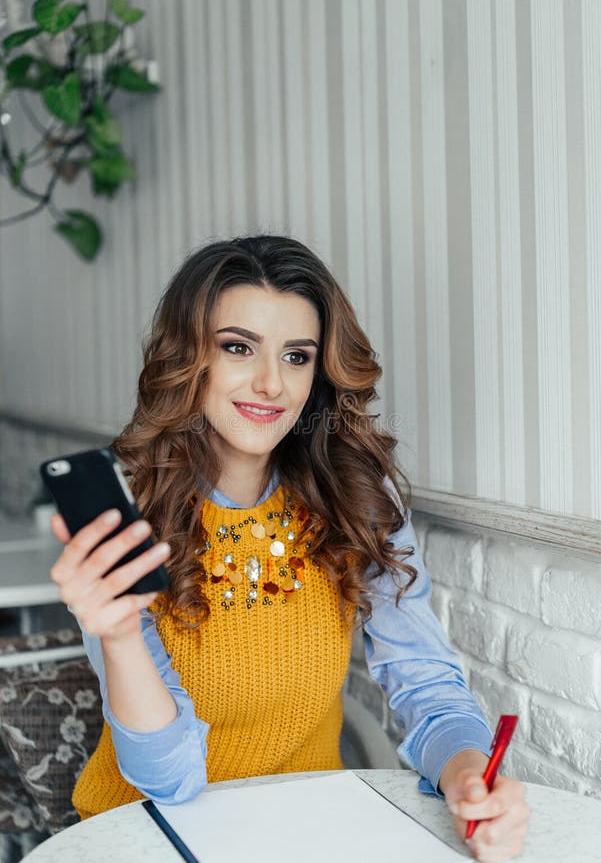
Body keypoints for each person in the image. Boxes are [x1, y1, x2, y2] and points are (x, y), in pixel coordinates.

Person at [50, 235, 529, 861]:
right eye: (238, 347)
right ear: (188, 358)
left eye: (297, 356)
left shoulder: (356, 495)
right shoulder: (132, 515)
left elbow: (428, 687)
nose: (271, 382)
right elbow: (168, 781)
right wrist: (115, 636)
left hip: (302, 833)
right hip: (144, 839)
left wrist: (468, 773)